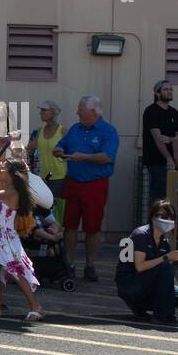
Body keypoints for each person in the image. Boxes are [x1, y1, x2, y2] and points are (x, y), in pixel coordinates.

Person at [54, 95, 118, 281]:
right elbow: (60, 147)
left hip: (95, 185)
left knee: (92, 227)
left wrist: (84, 157)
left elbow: (107, 157)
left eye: (80, 109)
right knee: (70, 225)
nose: (77, 112)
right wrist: (57, 151)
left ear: (93, 111)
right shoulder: (74, 129)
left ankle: (90, 265)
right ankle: (69, 264)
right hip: (73, 183)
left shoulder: (108, 131)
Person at [0, 157, 44, 321]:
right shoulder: (11, 188)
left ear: (11, 174)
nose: (0, 170)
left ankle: (35, 305)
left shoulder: (12, 191)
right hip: (0, 237)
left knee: (14, 270)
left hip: (5, 238)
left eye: (3, 169)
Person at [115, 199, 177, 324]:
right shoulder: (141, 234)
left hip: (144, 283)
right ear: (152, 217)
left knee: (170, 281)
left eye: (171, 217)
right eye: (163, 216)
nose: (168, 219)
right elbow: (140, 267)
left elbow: (169, 278)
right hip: (130, 284)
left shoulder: (164, 241)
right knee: (165, 267)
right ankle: (161, 315)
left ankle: (163, 312)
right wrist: (166, 257)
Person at [142, 81, 177, 208]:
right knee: (159, 195)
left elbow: (176, 138)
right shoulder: (151, 111)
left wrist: (170, 139)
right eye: (166, 89)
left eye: (171, 89)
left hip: (173, 162)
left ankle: (170, 226)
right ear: (157, 93)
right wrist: (168, 158)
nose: (170, 92)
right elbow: (158, 138)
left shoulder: (174, 113)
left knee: (172, 195)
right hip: (156, 161)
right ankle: (154, 226)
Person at [32, 99, 67, 224]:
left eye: (44, 110)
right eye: (41, 111)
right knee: (43, 208)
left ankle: (58, 235)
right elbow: (31, 149)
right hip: (42, 177)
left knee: (57, 207)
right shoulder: (39, 131)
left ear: (53, 113)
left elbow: (68, 151)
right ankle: (47, 237)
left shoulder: (63, 131)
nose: (40, 113)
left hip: (58, 176)